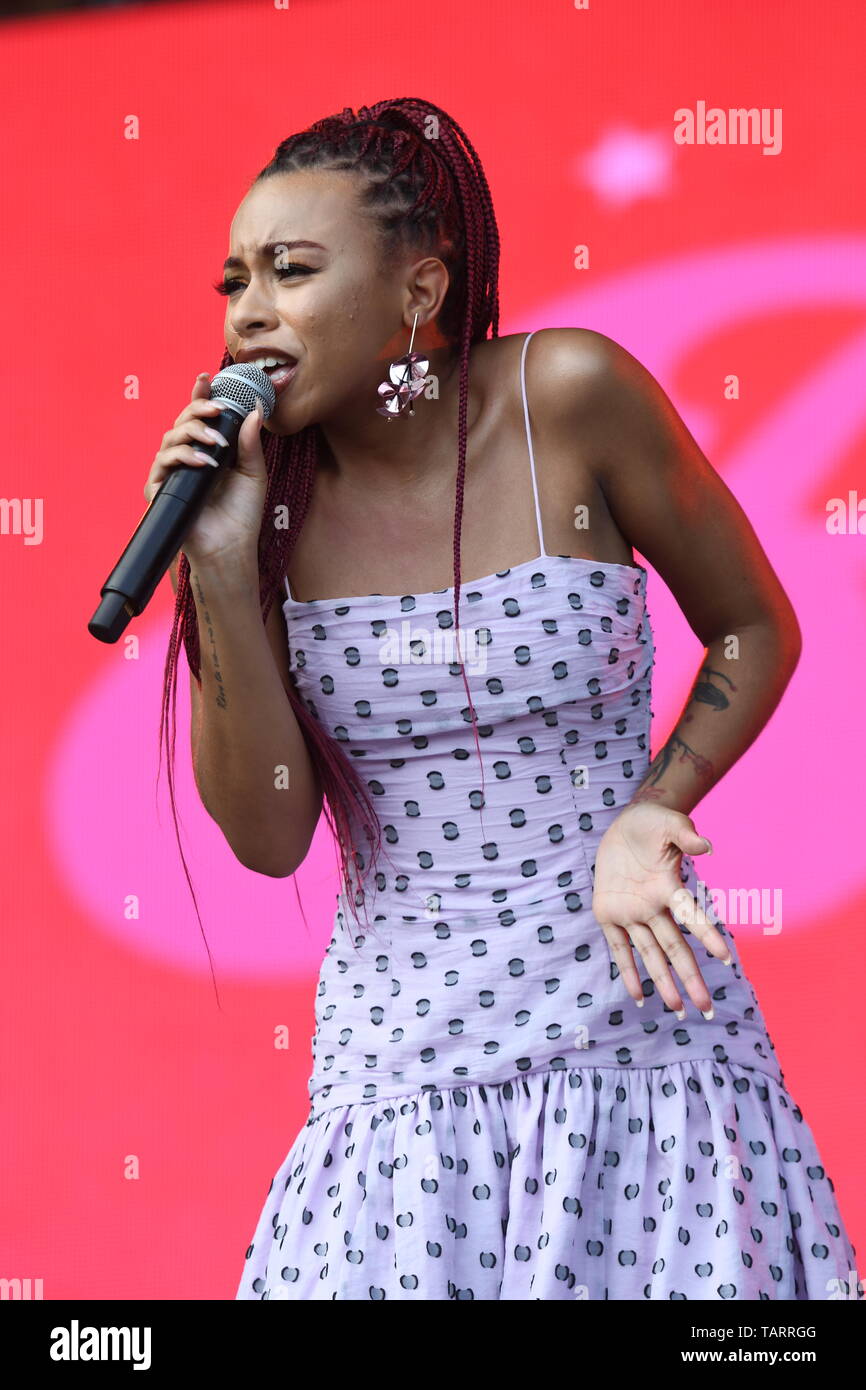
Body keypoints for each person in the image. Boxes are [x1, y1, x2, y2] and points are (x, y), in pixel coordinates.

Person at [148, 99, 860, 1301]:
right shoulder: (260, 508)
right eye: (234, 282)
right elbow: (269, 837)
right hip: (400, 1078)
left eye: (291, 270)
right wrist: (216, 564)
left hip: (637, 1032)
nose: (248, 312)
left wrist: (651, 810)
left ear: (418, 291)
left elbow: (754, 623)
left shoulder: (568, 393)